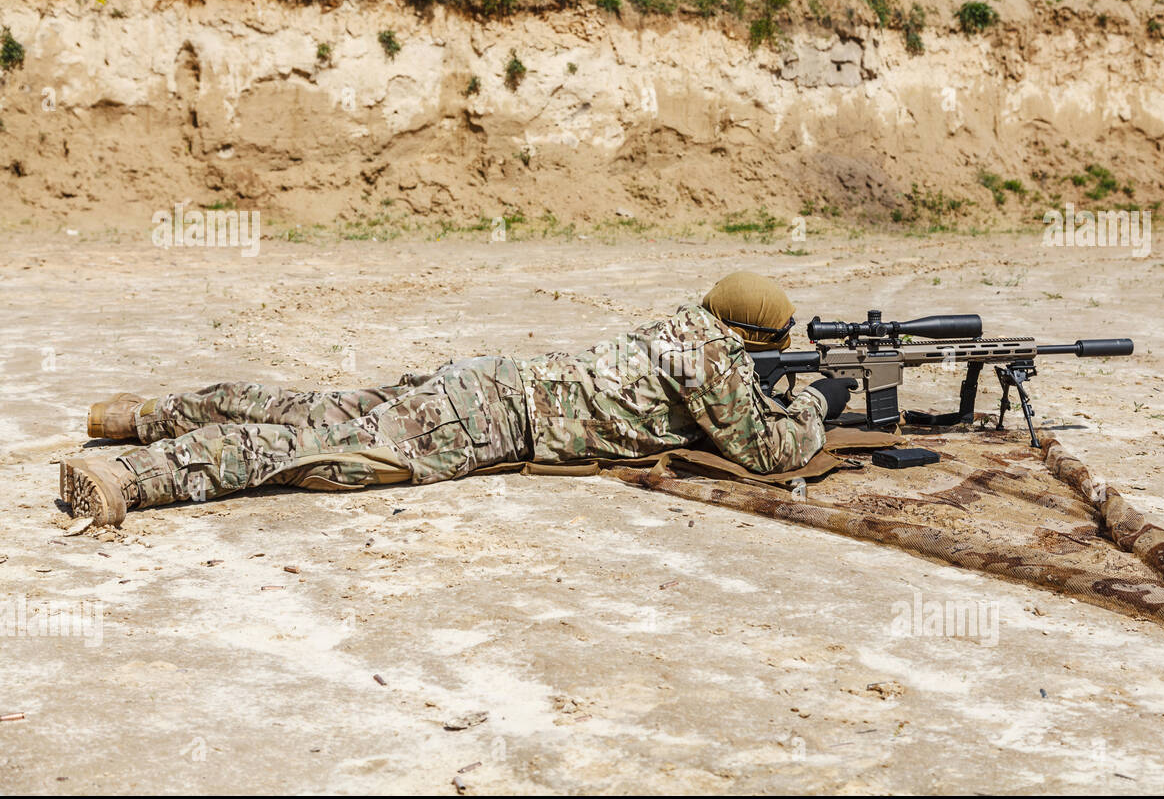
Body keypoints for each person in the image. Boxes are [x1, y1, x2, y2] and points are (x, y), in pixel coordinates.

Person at [60, 272, 857, 525]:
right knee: (327, 455)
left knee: (313, 408)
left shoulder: (683, 325)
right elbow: (768, 452)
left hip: (483, 381)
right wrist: (819, 401)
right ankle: (135, 478)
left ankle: (142, 415)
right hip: (490, 420)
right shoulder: (716, 358)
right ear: (752, 336)